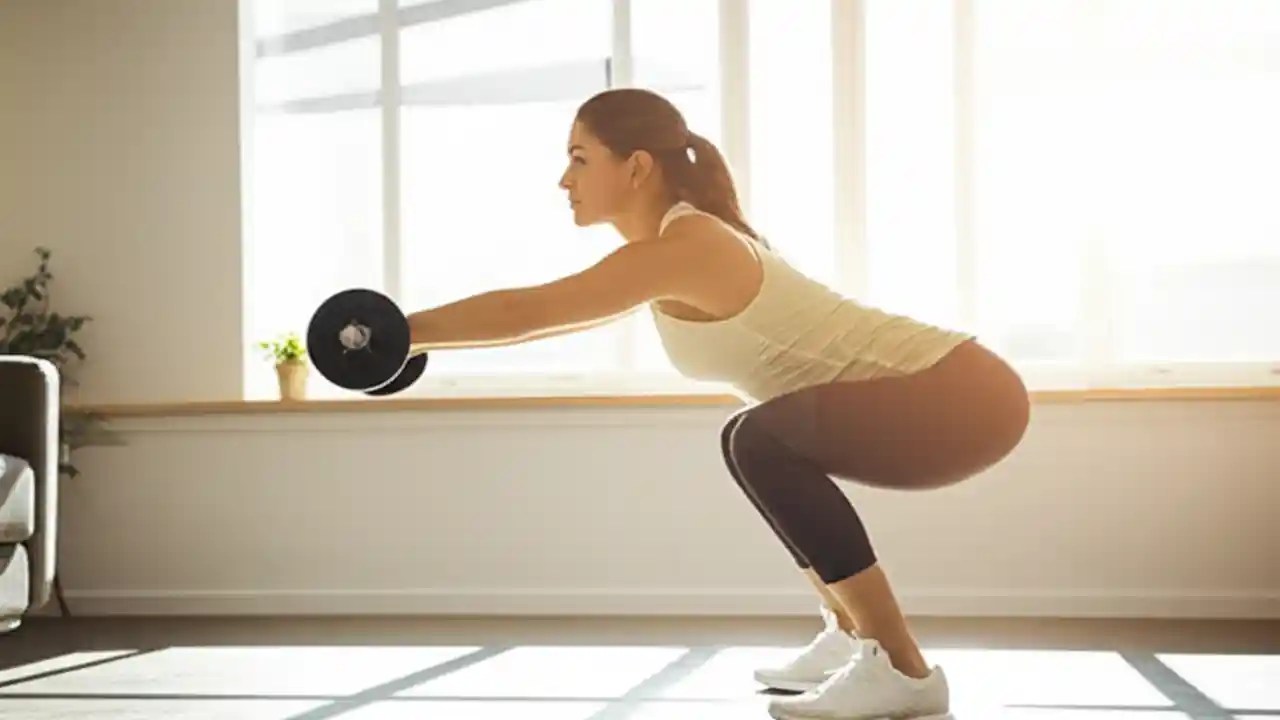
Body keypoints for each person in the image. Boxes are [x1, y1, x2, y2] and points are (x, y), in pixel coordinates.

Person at [405, 87, 1030, 720]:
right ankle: (848, 635)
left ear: (637, 166)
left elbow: (527, 311)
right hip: (952, 393)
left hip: (962, 394)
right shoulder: (675, 245)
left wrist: (400, 333)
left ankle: (901, 668)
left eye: (580, 158)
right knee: (747, 438)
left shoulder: (690, 247)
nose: (564, 178)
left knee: (760, 439)